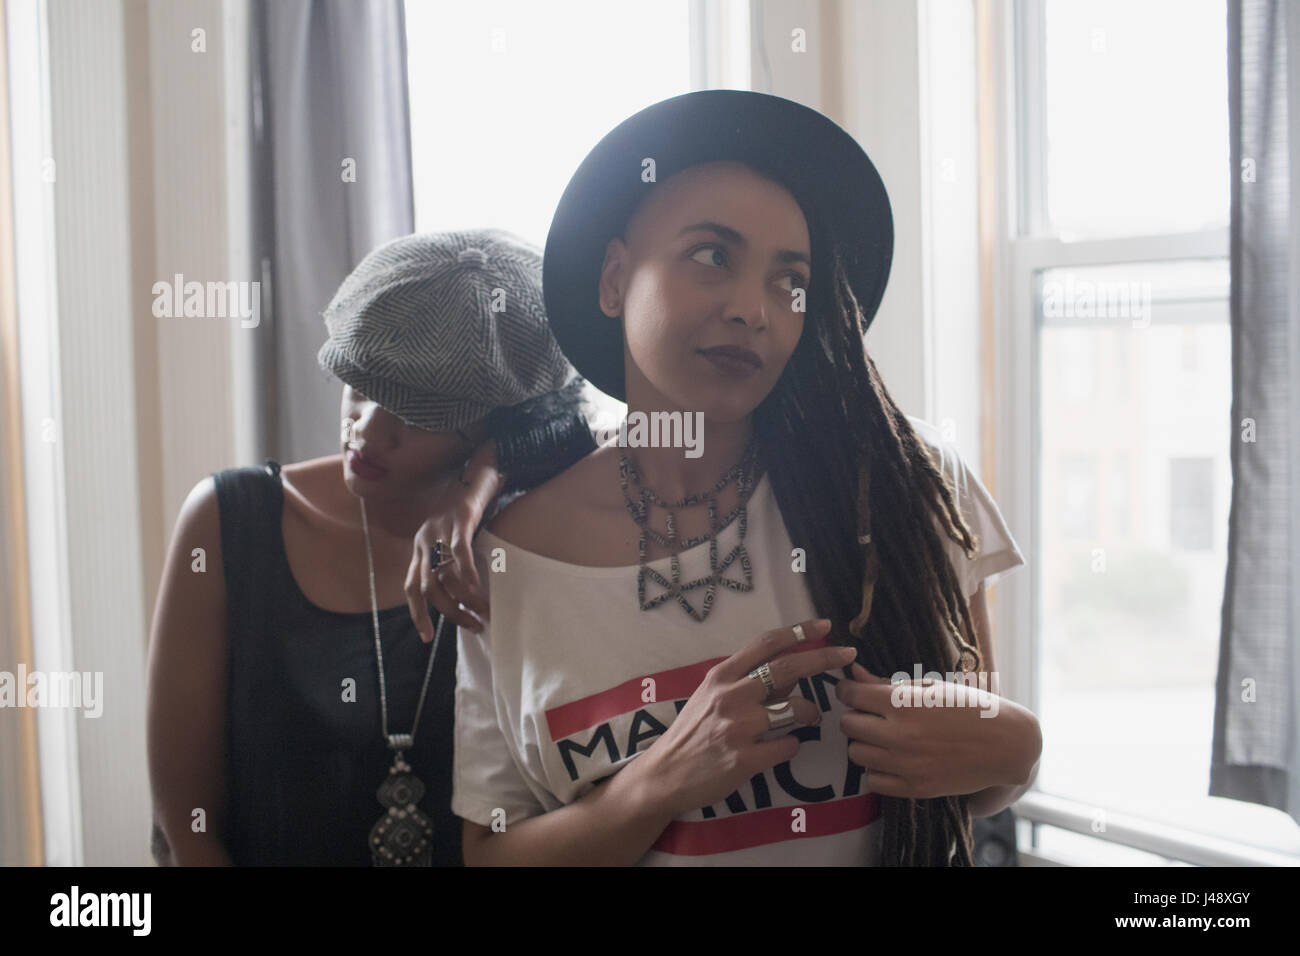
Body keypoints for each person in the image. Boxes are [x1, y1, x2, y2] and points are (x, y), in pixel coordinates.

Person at [450, 91, 1041, 866]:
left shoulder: (900, 484)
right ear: (614, 279)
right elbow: (491, 853)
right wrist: (654, 785)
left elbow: (969, 773)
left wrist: (1019, 752)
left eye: (787, 280)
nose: (752, 309)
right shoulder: (507, 560)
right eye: (712, 255)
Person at [146, 229, 597, 866]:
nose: (368, 429)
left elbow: (591, 431)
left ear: (495, 426)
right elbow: (185, 831)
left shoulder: (523, 536)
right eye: (361, 388)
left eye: (416, 414)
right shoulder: (230, 522)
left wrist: (477, 487)